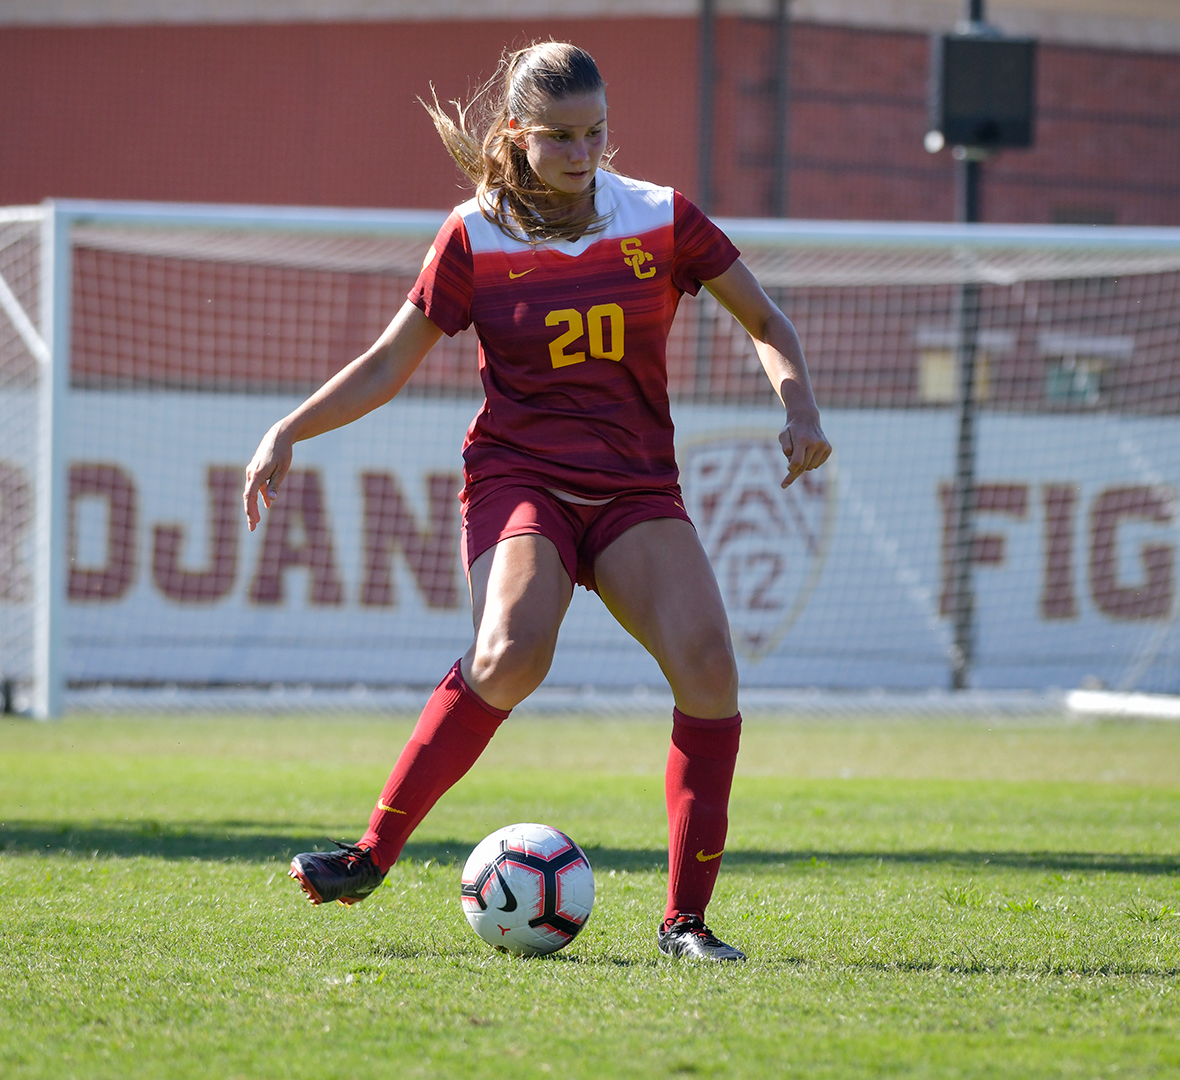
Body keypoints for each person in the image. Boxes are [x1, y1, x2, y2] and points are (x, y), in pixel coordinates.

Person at [242, 41, 830, 963]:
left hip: (636, 487)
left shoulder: (659, 218)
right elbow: (391, 363)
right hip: (523, 479)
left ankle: (686, 924)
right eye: (560, 136)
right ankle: (370, 854)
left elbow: (767, 320)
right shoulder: (474, 234)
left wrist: (797, 403)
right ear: (517, 132)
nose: (582, 151)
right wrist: (291, 428)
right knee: (512, 654)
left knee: (712, 668)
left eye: (596, 132)